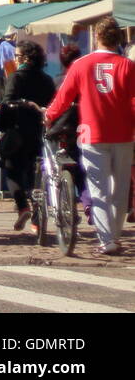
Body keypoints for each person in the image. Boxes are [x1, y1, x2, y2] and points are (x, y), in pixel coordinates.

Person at [45, 17, 135, 256]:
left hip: (92, 133)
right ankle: (114, 235)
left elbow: (64, 98)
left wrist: (50, 116)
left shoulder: (82, 64)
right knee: (120, 188)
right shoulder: (128, 66)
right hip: (124, 133)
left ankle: (107, 240)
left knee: (99, 189)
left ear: (97, 37)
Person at [0, 40, 56, 231]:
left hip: (17, 131)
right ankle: (37, 221)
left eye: (17, 56)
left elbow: (7, 103)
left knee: (12, 171)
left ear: (25, 58)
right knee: (35, 177)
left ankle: (23, 207)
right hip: (39, 132)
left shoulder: (16, 77)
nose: (15, 59)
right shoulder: (47, 79)